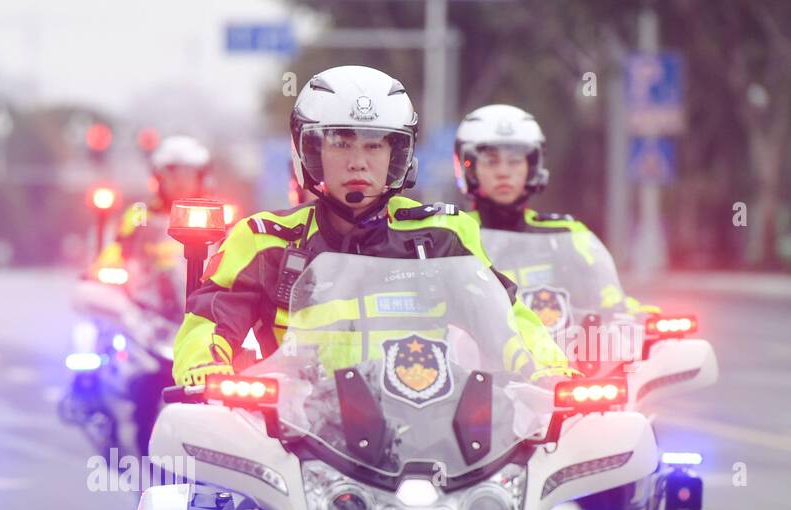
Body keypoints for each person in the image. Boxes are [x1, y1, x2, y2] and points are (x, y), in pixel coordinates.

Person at [171, 66, 573, 388]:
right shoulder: (264, 240)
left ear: (398, 153)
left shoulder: (442, 234)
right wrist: (206, 367)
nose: (358, 162)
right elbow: (209, 321)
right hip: (294, 442)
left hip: (431, 436)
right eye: (341, 143)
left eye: (374, 144)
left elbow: (508, 320)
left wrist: (550, 372)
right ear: (309, 151)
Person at [454, 103, 657, 319]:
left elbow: (608, 297)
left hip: (565, 350)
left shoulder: (565, 234)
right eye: (491, 161)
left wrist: (636, 316)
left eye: (514, 161)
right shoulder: (452, 234)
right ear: (470, 168)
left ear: (531, 167)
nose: (503, 172)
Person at [92, 135, 212, 322]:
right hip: (146, 313)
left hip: (205, 317)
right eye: (171, 173)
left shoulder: (218, 216)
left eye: (188, 173)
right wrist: (107, 267)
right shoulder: (139, 215)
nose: (179, 181)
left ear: (201, 177)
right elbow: (117, 250)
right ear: (158, 177)